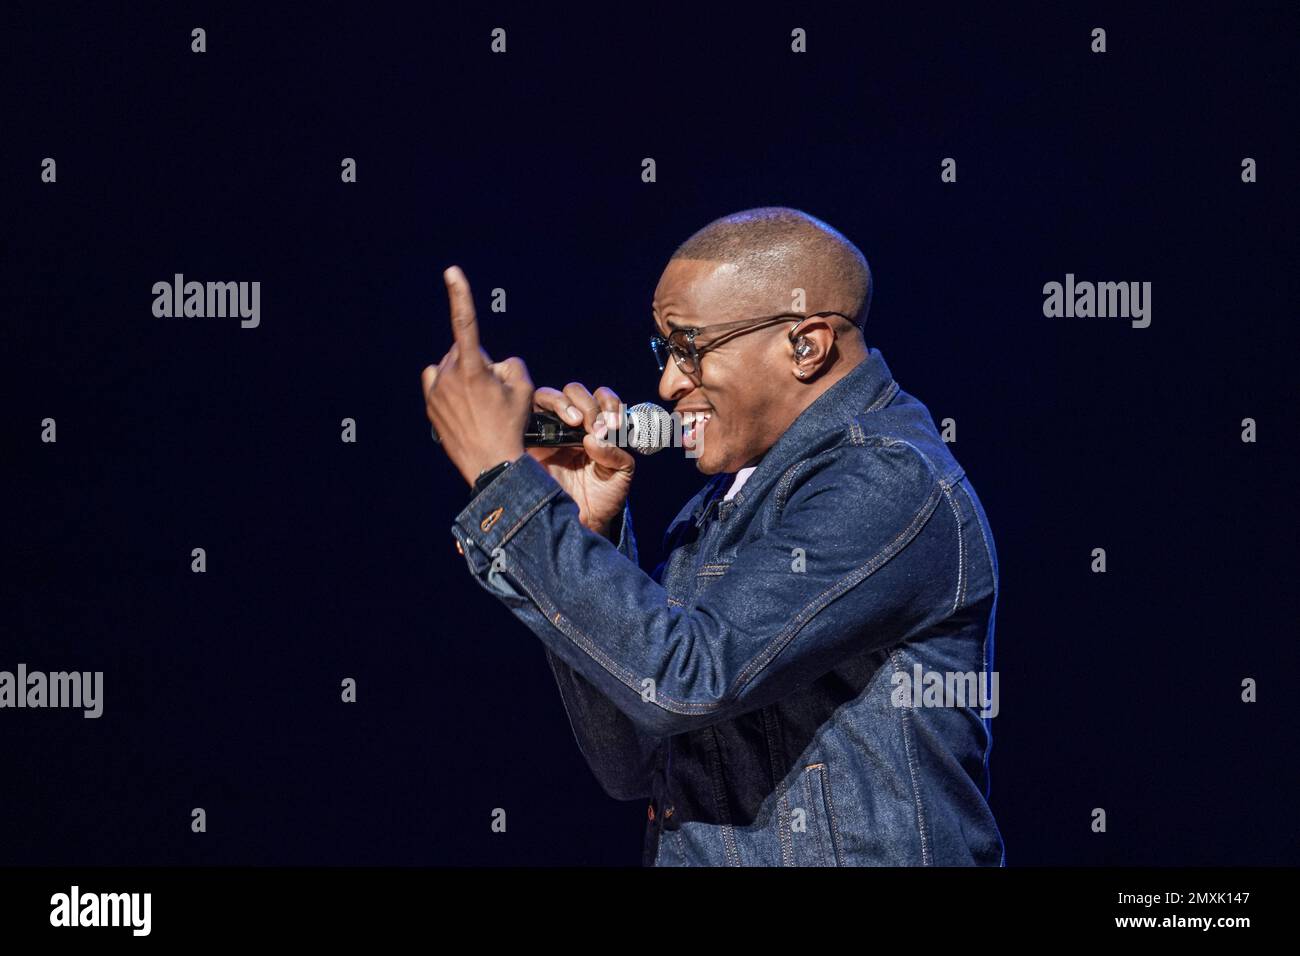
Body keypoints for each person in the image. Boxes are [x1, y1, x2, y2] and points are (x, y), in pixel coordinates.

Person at [421, 207, 1005, 866]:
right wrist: (588, 533)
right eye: (663, 351)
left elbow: (685, 679)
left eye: (689, 347)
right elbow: (631, 761)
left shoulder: (887, 478)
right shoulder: (719, 508)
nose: (667, 383)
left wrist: (505, 486)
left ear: (806, 345)